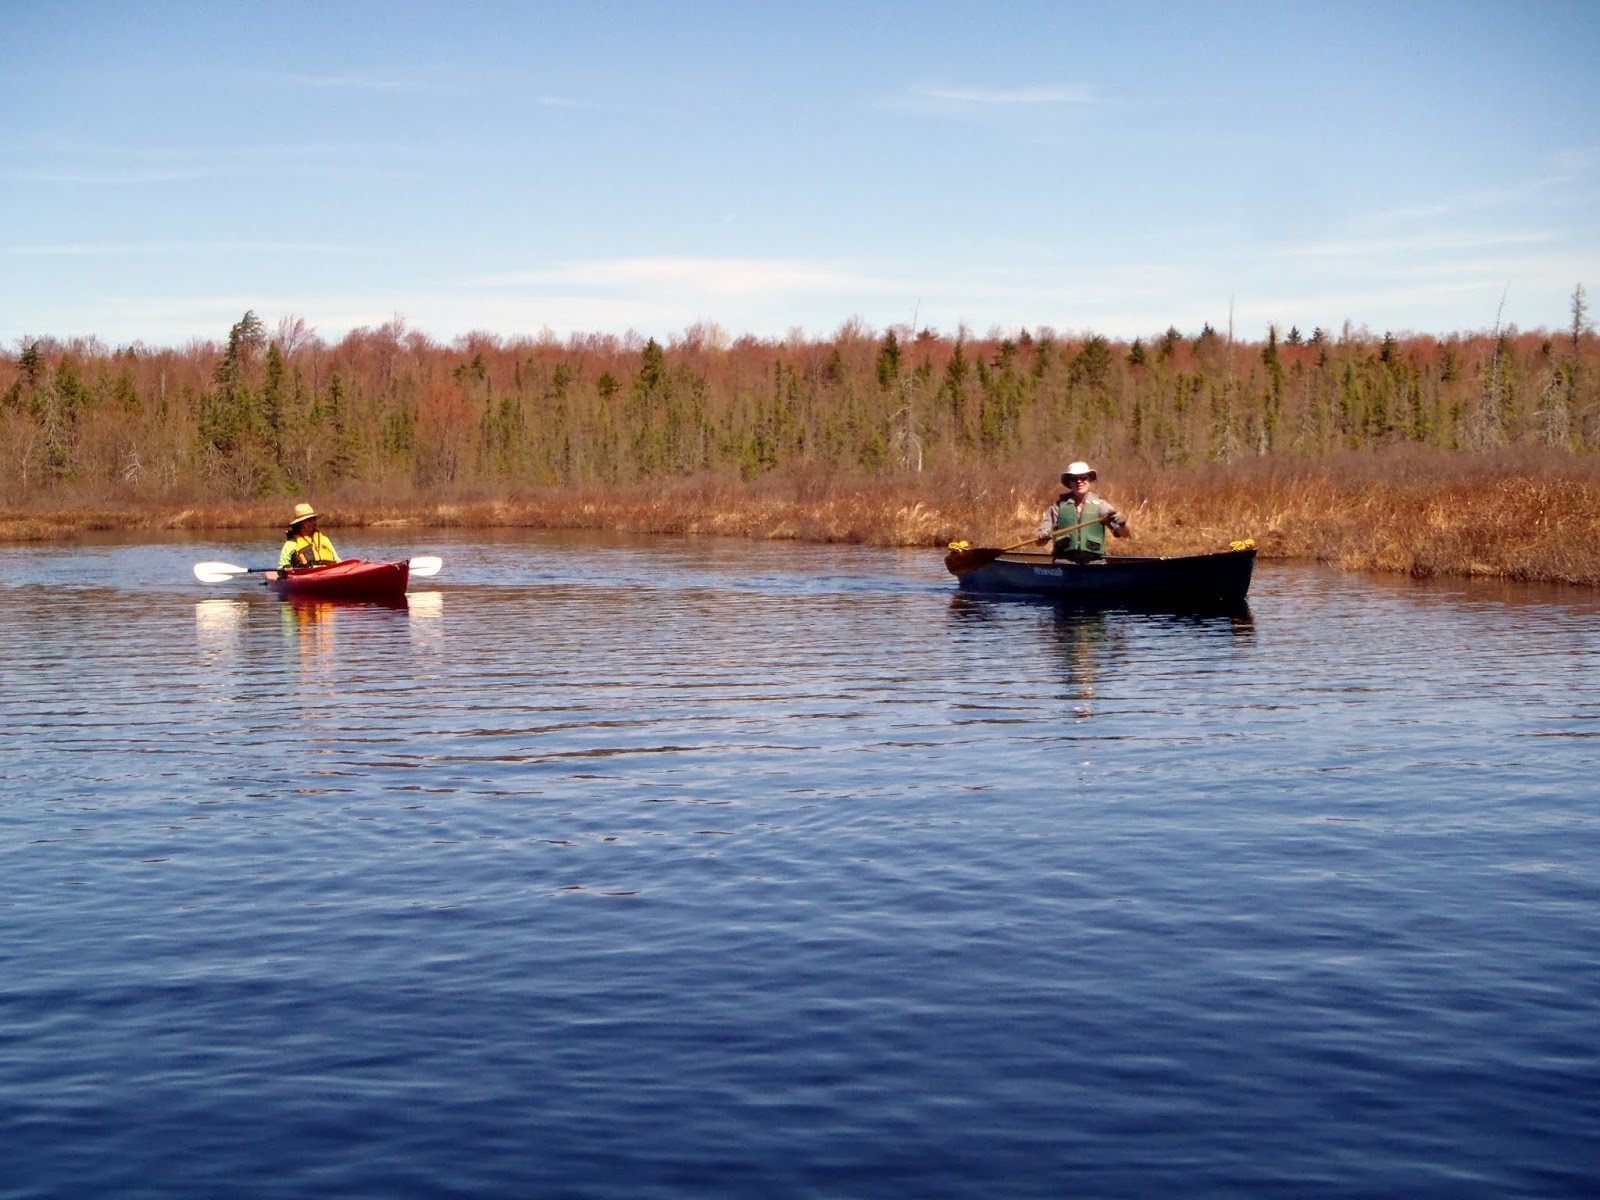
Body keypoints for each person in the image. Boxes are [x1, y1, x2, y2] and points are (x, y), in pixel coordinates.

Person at [1035, 461, 1129, 563]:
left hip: (1094, 563)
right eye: (1074, 479)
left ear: (1088, 480)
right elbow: (1039, 542)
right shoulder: (1058, 506)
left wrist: (1122, 524)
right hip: (1064, 563)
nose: (1079, 481)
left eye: (1083, 477)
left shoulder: (1101, 505)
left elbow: (1124, 534)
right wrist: (1042, 536)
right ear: (1069, 483)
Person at [278, 502, 340, 569]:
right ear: (300, 523)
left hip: (328, 572)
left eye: (314, 519)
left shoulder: (324, 539)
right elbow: (282, 566)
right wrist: (286, 568)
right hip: (305, 574)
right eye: (309, 520)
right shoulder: (291, 543)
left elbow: (337, 560)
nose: (313, 522)